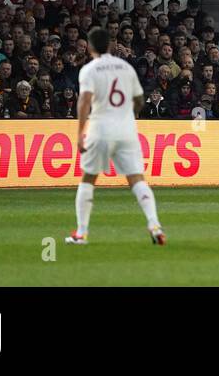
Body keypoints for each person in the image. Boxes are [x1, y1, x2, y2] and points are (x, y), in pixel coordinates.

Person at [67, 27, 165, 246]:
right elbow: (140, 100)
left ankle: (81, 233)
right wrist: (126, 114)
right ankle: (154, 224)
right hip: (126, 130)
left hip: (100, 130)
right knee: (136, 179)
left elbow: (84, 102)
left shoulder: (90, 70)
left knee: (89, 179)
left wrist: (80, 133)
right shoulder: (126, 68)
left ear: (90, 46)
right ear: (110, 46)